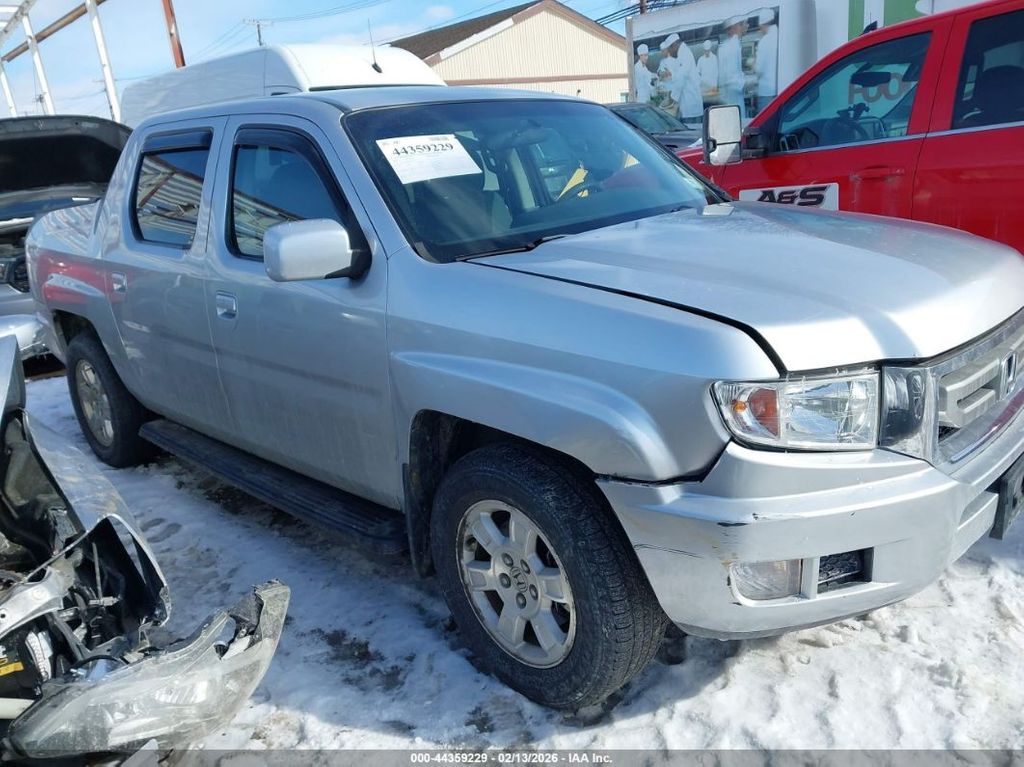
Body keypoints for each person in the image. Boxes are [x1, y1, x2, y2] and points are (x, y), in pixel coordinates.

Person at [659, 33, 703, 122]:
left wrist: (672, 99)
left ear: (674, 45)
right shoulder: (681, 54)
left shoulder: (685, 53)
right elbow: (677, 74)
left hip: (691, 104)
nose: (670, 53)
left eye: (669, 50)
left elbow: (681, 77)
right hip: (687, 103)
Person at [718, 15, 748, 120]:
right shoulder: (732, 46)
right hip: (733, 97)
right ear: (736, 26)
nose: (747, 26)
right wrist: (748, 82)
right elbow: (730, 77)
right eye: (744, 23)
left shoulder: (732, 45)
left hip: (730, 98)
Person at [754, 9, 778, 114]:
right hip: (780, 90)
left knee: (764, 127)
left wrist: (752, 63)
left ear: (762, 24)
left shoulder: (764, 41)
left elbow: (759, 70)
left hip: (766, 92)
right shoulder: (781, 36)